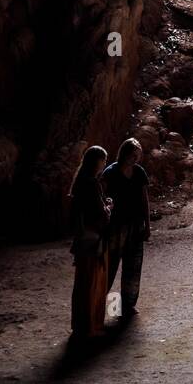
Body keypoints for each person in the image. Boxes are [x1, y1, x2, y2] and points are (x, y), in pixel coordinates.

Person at [102, 138, 150, 320]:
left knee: (133, 267)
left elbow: (144, 200)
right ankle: (100, 302)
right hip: (116, 226)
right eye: (132, 155)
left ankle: (127, 306)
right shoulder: (111, 173)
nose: (135, 159)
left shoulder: (139, 172)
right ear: (124, 154)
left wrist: (147, 225)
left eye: (138, 155)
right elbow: (102, 198)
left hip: (135, 226)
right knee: (110, 266)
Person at [68, 145, 111, 340]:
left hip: (81, 237)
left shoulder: (79, 182)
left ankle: (79, 325)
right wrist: (109, 207)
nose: (105, 163)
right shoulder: (92, 184)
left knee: (82, 283)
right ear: (97, 161)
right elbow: (100, 214)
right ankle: (91, 327)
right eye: (103, 160)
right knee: (93, 283)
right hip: (93, 238)